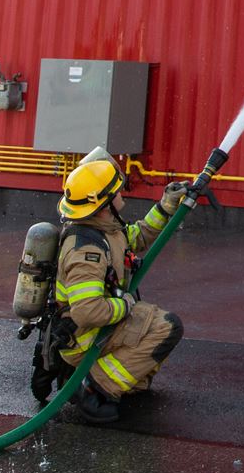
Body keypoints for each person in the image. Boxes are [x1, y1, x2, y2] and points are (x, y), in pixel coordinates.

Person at [50, 150, 187, 423]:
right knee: (166, 327)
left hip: (91, 328)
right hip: (84, 336)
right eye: (117, 190)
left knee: (152, 339)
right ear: (104, 204)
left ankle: (101, 378)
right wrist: (125, 305)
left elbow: (136, 237)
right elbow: (87, 311)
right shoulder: (86, 250)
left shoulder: (106, 229)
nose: (122, 192)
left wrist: (166, 207)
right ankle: (93, 385)